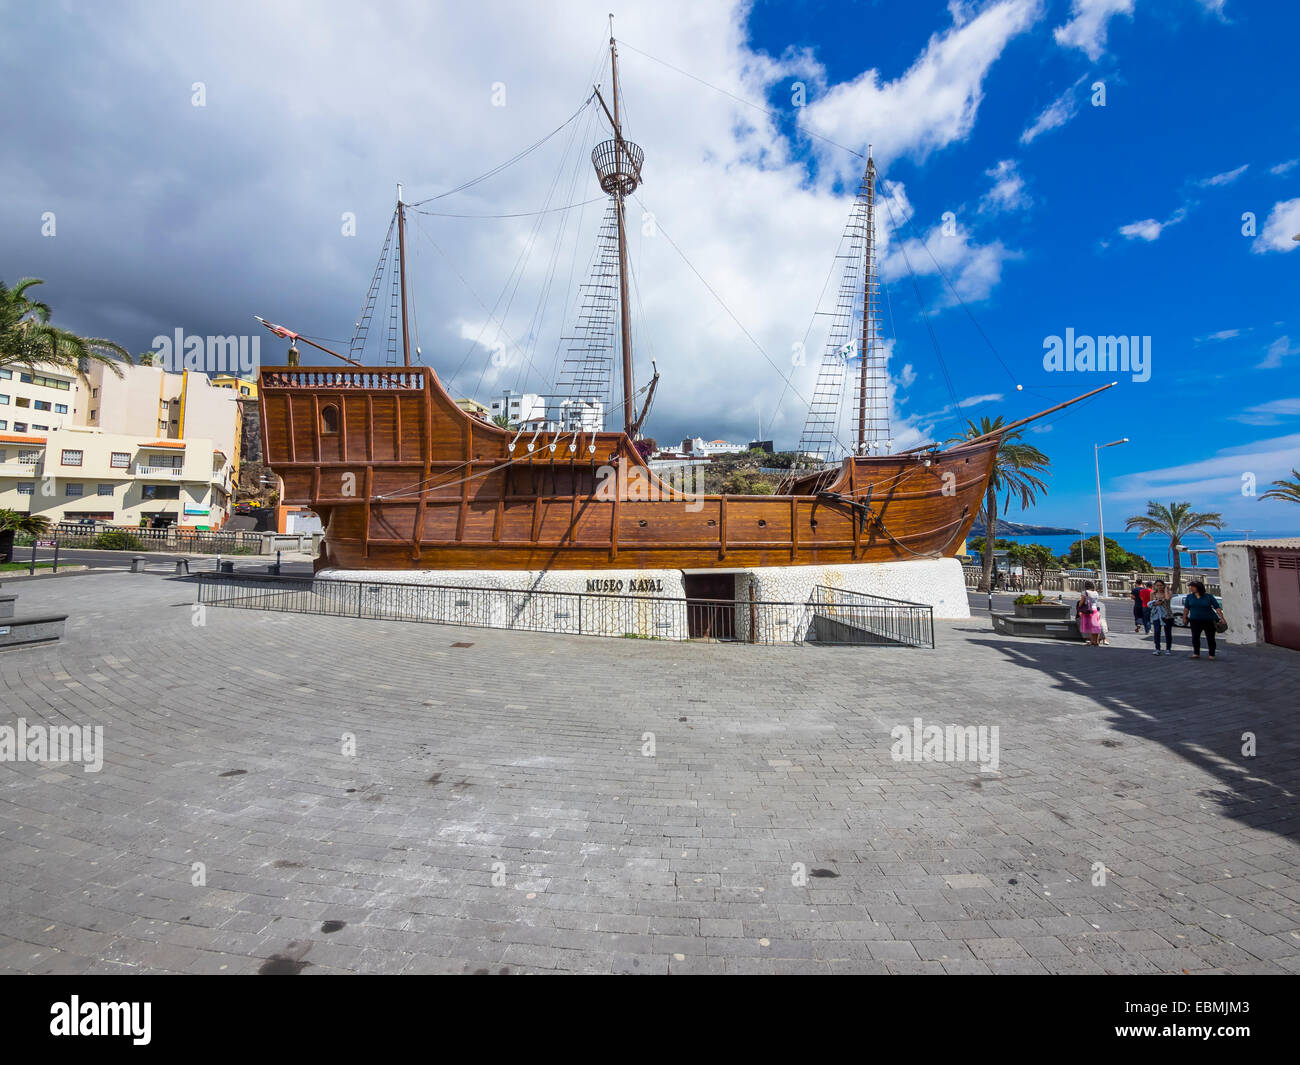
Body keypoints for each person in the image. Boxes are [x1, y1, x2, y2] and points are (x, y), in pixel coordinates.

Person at [1182, 580, 1226, 660]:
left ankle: (1211, 654)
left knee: (1210, 638)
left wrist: (1222, 618)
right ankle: (1196, 653)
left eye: (1193, 587)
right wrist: (1184, 617)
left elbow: (1217, 608)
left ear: (1198, 588)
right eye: (1190, 586)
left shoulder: (1209, 597)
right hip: (1195, 620)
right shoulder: (1189, 597)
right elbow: (1186, 608)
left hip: (1209, 620)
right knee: (1195, 637)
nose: (1191, 588)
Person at [1148, 579, 1174, 655]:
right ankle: (1157, 648)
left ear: (1164, 585)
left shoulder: (1168, 593)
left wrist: (1166, 590)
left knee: (1168, 633)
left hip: (1167, 615)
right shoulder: (1152, 593)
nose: (1159, 587)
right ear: (1155, 586)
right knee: (1157, 632)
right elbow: (1151, 604)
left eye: (1161, 585)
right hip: (1156, 615)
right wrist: (1158, 602)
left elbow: (1167, 599)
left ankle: (1168, 649)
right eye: (1157, 585)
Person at [1075, 581, 1103, 647]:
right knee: (1096, 626)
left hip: (1088, 611)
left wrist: (1079, 605)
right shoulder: (1096, 592)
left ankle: (1092, 641)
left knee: (1091, 627)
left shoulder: (1085, 592)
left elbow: (1081, 602)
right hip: (1095, 610)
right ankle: (1096, 641)